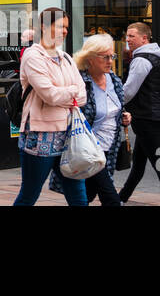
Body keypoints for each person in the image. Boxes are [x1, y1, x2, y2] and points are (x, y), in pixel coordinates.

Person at [13, 7, 87, 206]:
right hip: (39, 136)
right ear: (44, 27)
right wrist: (71, 91)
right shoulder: (32, 56)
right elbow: (50, 95)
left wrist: (65, 92)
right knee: (30, 193)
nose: (65, 31)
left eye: (66, 27)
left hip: (69, 135)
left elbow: (83, 96)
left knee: (78, 196)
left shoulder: (66, 58)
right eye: (60, 26)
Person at [51, 33, 128, 206]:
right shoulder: (80, 82)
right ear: (91, 59)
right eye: (105, 57)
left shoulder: (114, 80)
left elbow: (116, 107)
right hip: (89, 149)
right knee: (110, 197)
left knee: (88, 195)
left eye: (112, 56)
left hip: (110, 146)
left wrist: (124, 116)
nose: (110, 61)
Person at [118, 22, 160, 206]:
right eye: (127, 36)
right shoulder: (159, 57)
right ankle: (122, 198)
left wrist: (114, 103)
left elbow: (128, 91)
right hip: (157, 117)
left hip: (147, 119)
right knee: (139, 164)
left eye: (132, 36)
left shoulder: (141, 60)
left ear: (144, 38)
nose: (127, 40)